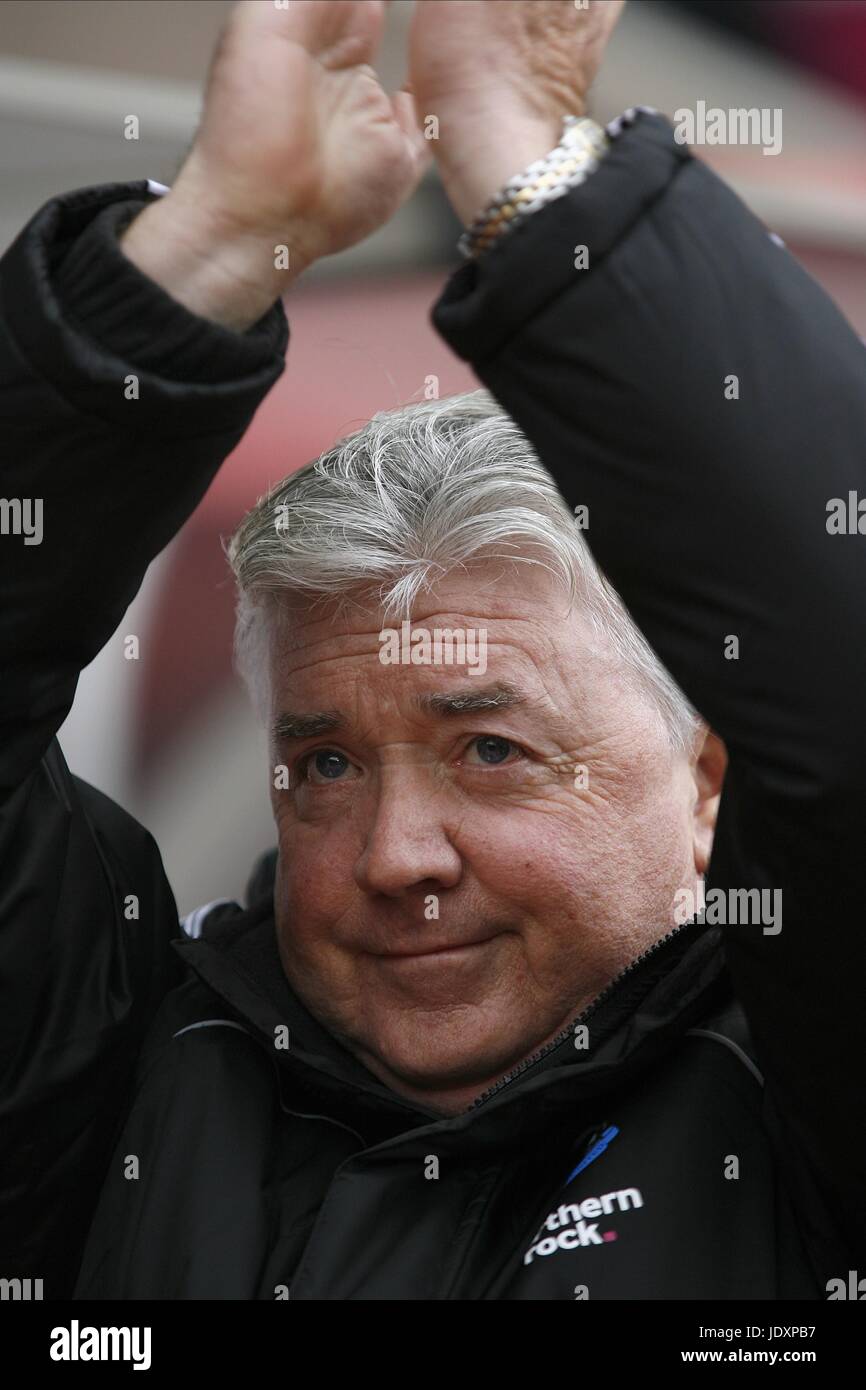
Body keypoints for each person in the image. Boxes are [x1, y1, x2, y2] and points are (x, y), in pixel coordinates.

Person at [1, 0, 863, 1300]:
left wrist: (538, 186)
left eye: (492, 747)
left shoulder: (802, 1097)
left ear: (710, 778)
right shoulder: (109, 1063)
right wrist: (206, 251)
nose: (396, 853)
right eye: (327, 764)